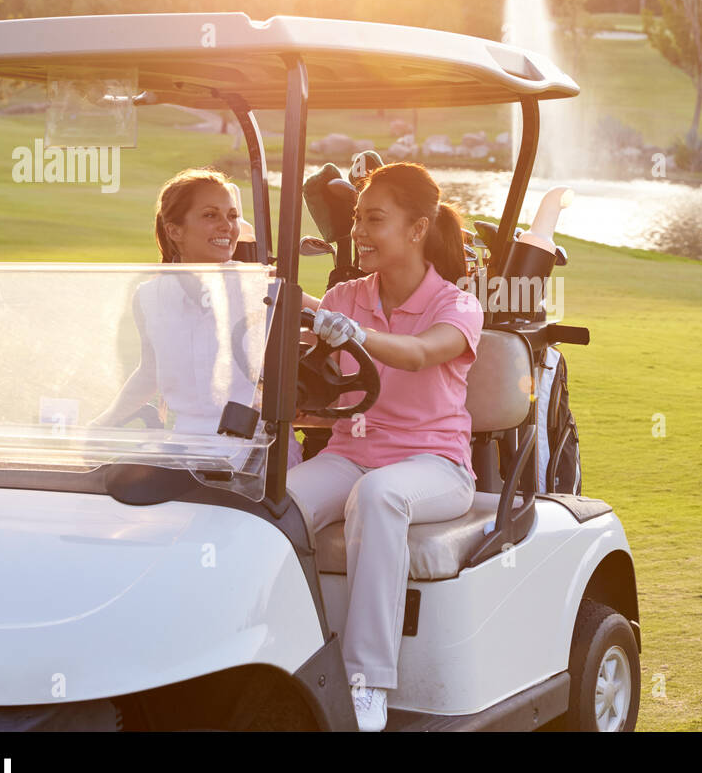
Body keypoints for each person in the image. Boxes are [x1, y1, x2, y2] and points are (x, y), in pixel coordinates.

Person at [287, 161, 481, 732]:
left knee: (379, 497)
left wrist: (356, 334)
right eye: (356, 219)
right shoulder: (345, 295)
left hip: (434, 464)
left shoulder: (456, 304)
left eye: (374, 219)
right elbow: (313, 366)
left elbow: (422, 353)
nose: (359, 233)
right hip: (351, 453)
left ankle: (366, 679)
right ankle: (281, 654)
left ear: (417, 229)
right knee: (275, 504)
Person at [90, 168, 297, 465]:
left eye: (232, 216)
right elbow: (150, 371)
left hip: (257, 451)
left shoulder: (261, 287)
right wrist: (101, 425)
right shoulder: (149, 297)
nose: (227, 226)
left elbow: (323, 320)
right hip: (186, 447)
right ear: (175, 230)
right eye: (211, 215)